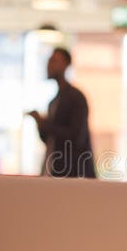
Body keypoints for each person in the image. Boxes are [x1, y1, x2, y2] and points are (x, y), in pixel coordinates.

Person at [29, 47, 96, 178]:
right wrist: (40, 124)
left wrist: (45, 123)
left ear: (66, 64)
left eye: (54, 61)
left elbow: (76, 137)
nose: (49, 65)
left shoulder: (76, 97)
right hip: (54, 172)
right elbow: (51, 141)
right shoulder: (53, 101)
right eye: (49, 61)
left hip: (74, 174)